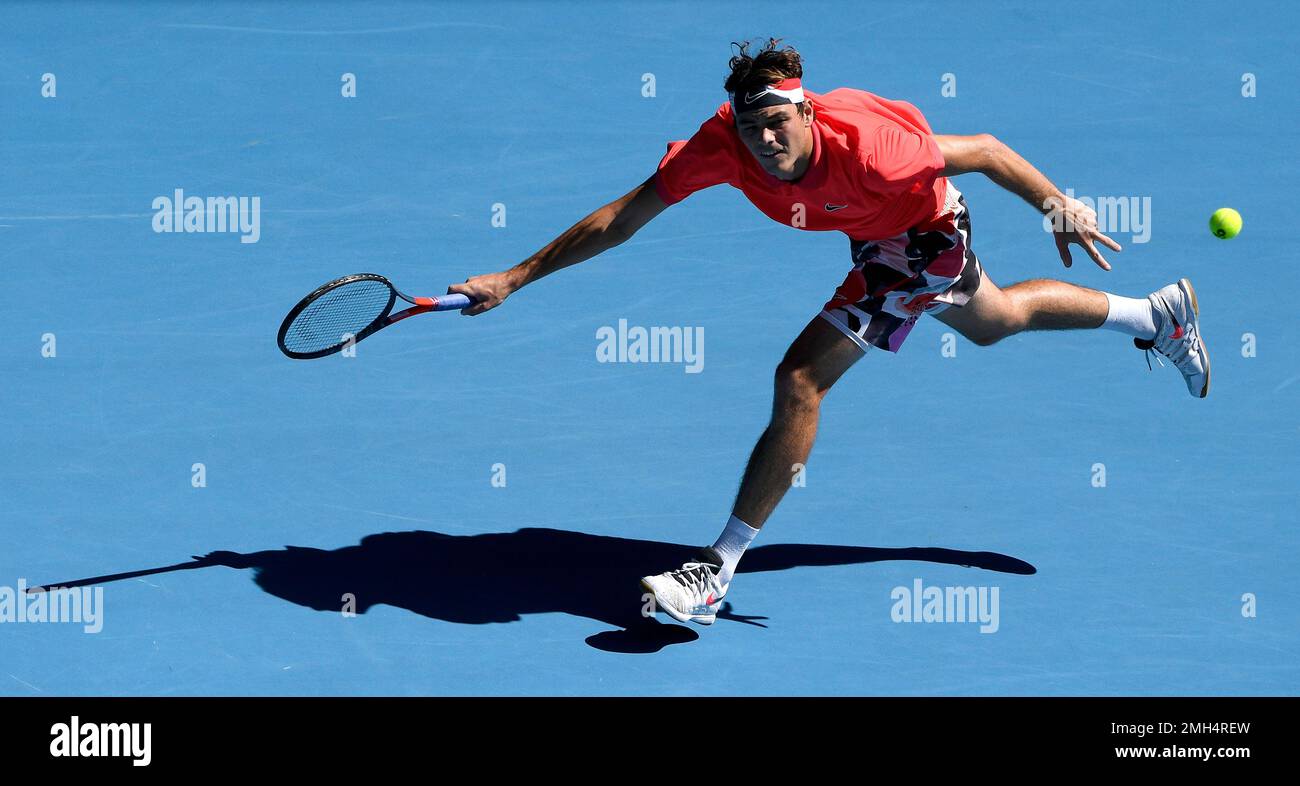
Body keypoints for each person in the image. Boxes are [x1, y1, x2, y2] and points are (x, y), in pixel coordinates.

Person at [448, 39, 1210, 626]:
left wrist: (1056, 204)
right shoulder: (725, 144)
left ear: (806, 113)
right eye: (752, 128)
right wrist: (514, 278)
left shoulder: (876, 151)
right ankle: (1155, 315)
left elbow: (984, 150)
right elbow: (623, 217)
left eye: (777, 123)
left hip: (919, 233)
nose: (764, 141)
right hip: (872, 235)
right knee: (997, 320)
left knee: (800, 379)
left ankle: (715, 571)